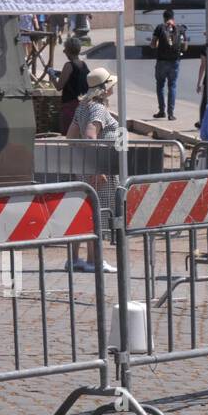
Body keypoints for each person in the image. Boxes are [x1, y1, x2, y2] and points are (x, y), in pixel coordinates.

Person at [65, 68, 120, 274]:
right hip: (98, 170)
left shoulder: (83, 106)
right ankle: (94, 260)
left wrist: (80, 163)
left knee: (85, 213)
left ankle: (75, 259)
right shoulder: (98, 109)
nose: (113, 87)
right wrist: (95, 168)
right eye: (111, 84)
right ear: (104, 89)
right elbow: (90, 136)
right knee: (97, 213)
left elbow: (70, 136)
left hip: (85, 169)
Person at [150, 8, 186, 121]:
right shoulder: (180, 28)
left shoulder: (160, 28)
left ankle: (161, 111)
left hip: (161, 61)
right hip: (175, 61)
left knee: (160, 85)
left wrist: (158, 46)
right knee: (172, 86)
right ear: (173, 17)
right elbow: (185, 47)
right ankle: (171, 113)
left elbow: (153, 45)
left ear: (164, 17)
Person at [52, 37, 91, 134]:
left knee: (68, 135)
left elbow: (59, 86)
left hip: (70, 106)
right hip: (83, 105)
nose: (64, 51)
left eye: (65, 49)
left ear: (69, 50)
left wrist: (52, 76)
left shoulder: (68, 65)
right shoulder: (84, 65)